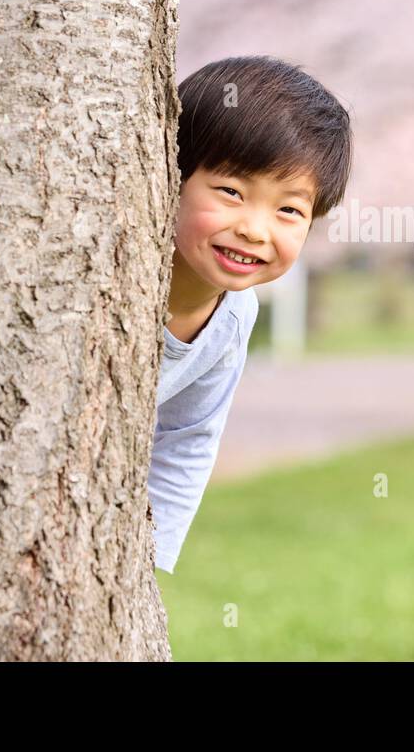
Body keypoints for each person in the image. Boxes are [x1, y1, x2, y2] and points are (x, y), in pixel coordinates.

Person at [149, 55, 353, 575]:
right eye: (231, 193)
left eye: (288, 210)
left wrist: (142, 564)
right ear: (170, 175)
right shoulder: (115, 273)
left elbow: (188, 436)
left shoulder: (235, 316)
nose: (255, 230)